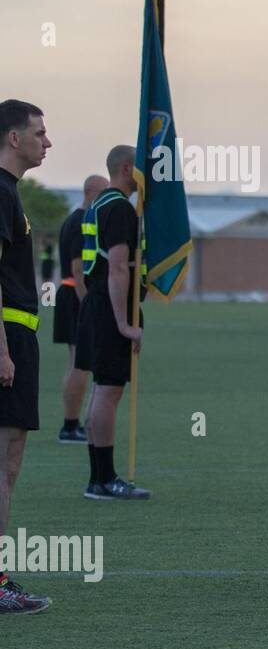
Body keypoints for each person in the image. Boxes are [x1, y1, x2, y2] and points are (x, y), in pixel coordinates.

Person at [0, 100, 53, 614]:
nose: (47, 141)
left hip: (19, 338)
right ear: (13, 138)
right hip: (9, 341)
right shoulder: (0, 191)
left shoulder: (10, 192)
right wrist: (3, 351)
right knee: (4, 463)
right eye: (40, 132)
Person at [77, 145, 152, 500]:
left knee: (101, 390)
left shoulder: (97, 205)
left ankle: (98, 478)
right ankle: (105, 479)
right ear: (126, 168)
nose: (147, 176)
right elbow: (119, 268)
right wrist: (124, 323)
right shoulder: (120, 207)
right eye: (142, 168)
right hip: (109, 309)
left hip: (94, 305)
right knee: (109, 391)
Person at [54, 174, 106, 444]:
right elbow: (78, 270)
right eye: (104, 193)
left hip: (71, 295)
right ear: (91, 192)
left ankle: (72, 424)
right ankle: (70, 425)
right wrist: (90, 306)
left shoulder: (76, 219)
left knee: (79, 363)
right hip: (75, 295)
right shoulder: (80, 222)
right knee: (79, 363)